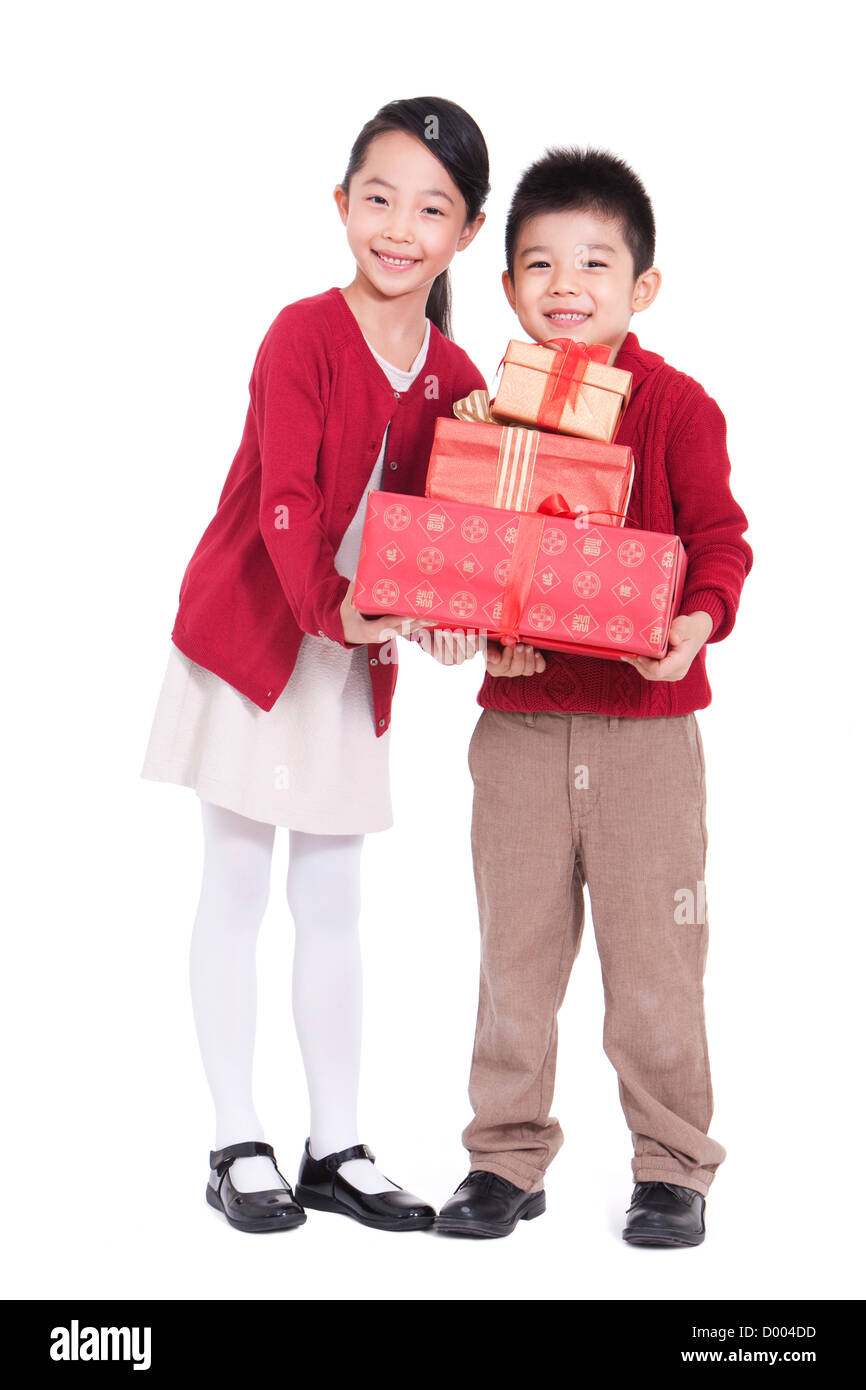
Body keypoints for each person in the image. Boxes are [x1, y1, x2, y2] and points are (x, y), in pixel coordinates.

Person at [140, 96, 489, 1234]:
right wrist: (350, 617)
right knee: (237, 883)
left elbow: (442, 541)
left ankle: (334, 1146)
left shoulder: (455, 375)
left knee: (333, 898)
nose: (399, 229)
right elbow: (284, 505)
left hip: (349, 658)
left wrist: (443, 622)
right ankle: (233, 1138)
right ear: (341, 206)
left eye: (430, 209)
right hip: (256, 643)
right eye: (378, 199)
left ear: (467, 232)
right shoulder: (301, 333)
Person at [434, 146, 753, 1245]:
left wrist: (694, 623)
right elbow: (461, 560)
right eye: (538, 264)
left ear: (641, 286)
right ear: (507, 285)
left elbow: (721, 540)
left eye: (593, 263)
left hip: (646, 734)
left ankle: (672, 1167)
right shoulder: (487, 417)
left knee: (656, 959)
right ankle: (502, 1159)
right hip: (517, 729)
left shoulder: (677, 408)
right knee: (512, 958)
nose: (564, 284)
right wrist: (464, 623)